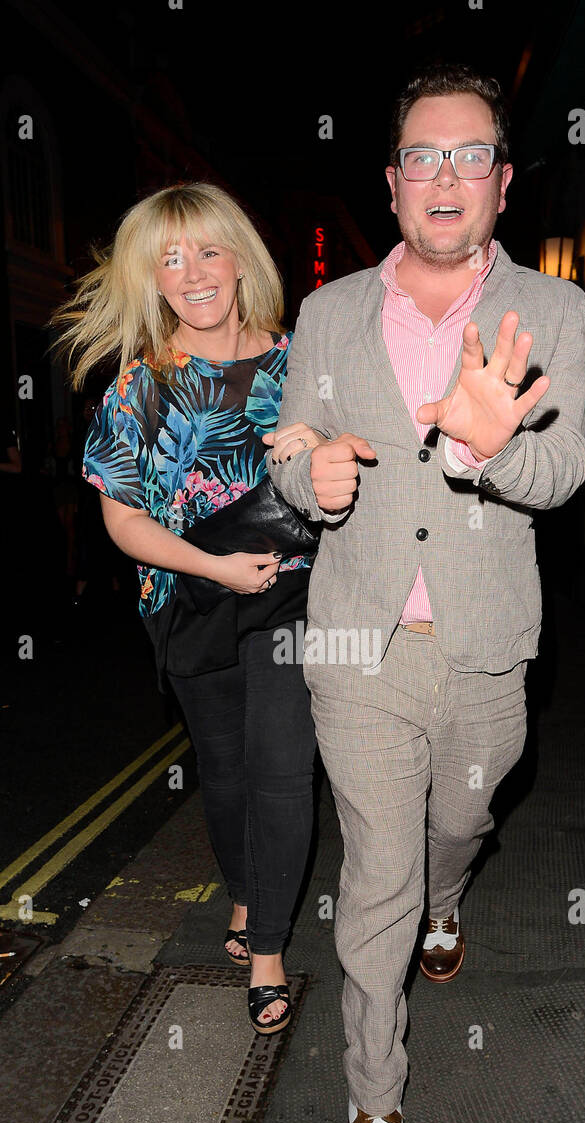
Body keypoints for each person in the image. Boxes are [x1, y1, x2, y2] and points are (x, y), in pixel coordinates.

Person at [266, 63, 585, 1123]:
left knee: (454, 822)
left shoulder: (559, 313)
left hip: (484, 636)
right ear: (394, 182)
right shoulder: (326, 311)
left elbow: (559, 471)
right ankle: (373, 1094)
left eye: (469, 156)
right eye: (422, 155)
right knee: (375, 870)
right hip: (359, 640)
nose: (443, 175)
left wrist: (487, 446)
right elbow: (288, 442)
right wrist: (306, 474)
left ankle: (449, 897)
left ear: (501, 185)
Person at [52, 182, 326, 1033]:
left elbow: (356, 466)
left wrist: (325, 446)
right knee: (228, 769)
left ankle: (269, 950)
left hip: (292, 595)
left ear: (240, 258)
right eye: (171, 259)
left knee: (283, 766)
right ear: (153, 280)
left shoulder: (302, 363)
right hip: (191, 599)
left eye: (208, 249)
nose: (194, 272)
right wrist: (213, 564)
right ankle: (243, 892)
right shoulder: (141, 386)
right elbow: (123, 517)